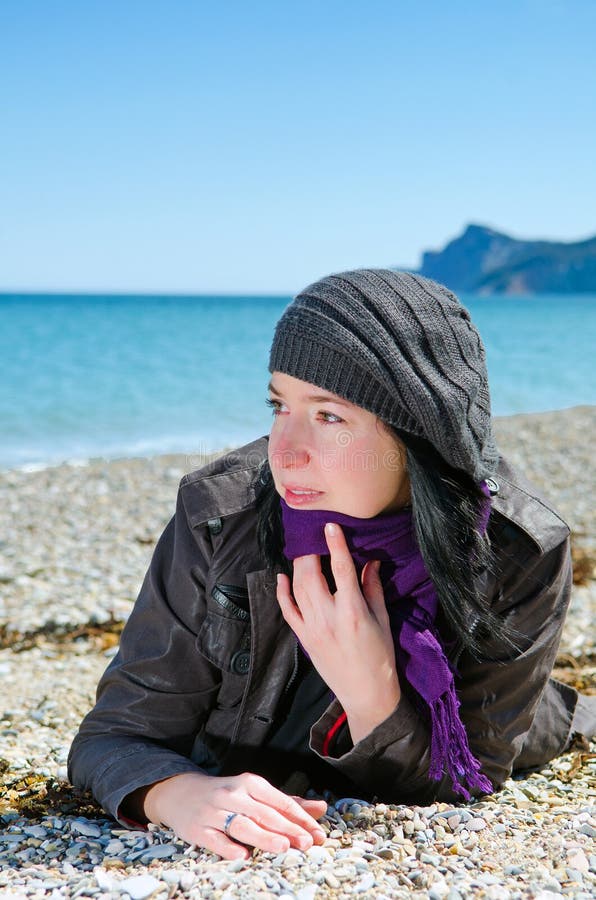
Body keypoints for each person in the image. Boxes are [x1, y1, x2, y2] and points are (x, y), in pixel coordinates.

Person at [68, 270, 593, 861]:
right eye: (279, 404)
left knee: (568, 716)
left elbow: (465, 778)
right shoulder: (220, 516)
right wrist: (176, 794)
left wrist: (372, 691)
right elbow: (114, 736)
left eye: (330, 416)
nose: (285, 451)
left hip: (522, 715)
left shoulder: (519, 549)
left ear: (418, 430)